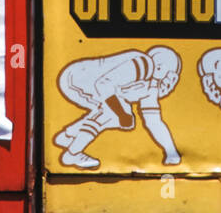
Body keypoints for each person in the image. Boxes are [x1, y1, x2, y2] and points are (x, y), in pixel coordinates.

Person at [53, 46, 182, 169]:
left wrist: (171, 152)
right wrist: (121, 114)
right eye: (169, 76)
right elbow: (103, 84)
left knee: (116, 114)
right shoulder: (144, 64)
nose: (169, 83)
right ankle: (72, 154)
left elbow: (154, 123)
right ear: (160, 67)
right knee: (112, 114)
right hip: (77, 79)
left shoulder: (149, 88)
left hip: (86, 83)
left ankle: (67, 136)